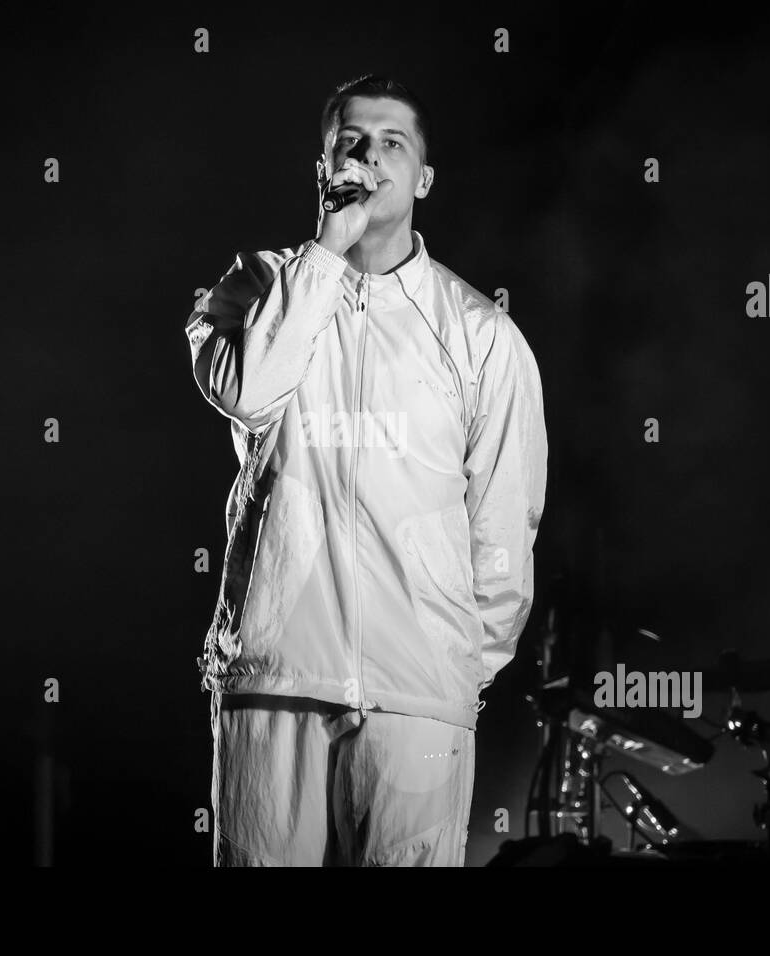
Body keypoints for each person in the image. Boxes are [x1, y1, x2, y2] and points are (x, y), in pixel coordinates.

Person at [184, 74, 548, 866]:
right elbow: (247, 393)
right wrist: (323, 255)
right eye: (350, 141)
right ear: (322, 167)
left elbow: (504, 523)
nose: (369, 158)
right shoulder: (252, 290)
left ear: (424, 178)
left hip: (419, 696)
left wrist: (446, 666)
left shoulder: (482, 333)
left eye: (393, 144)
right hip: (276, 678)